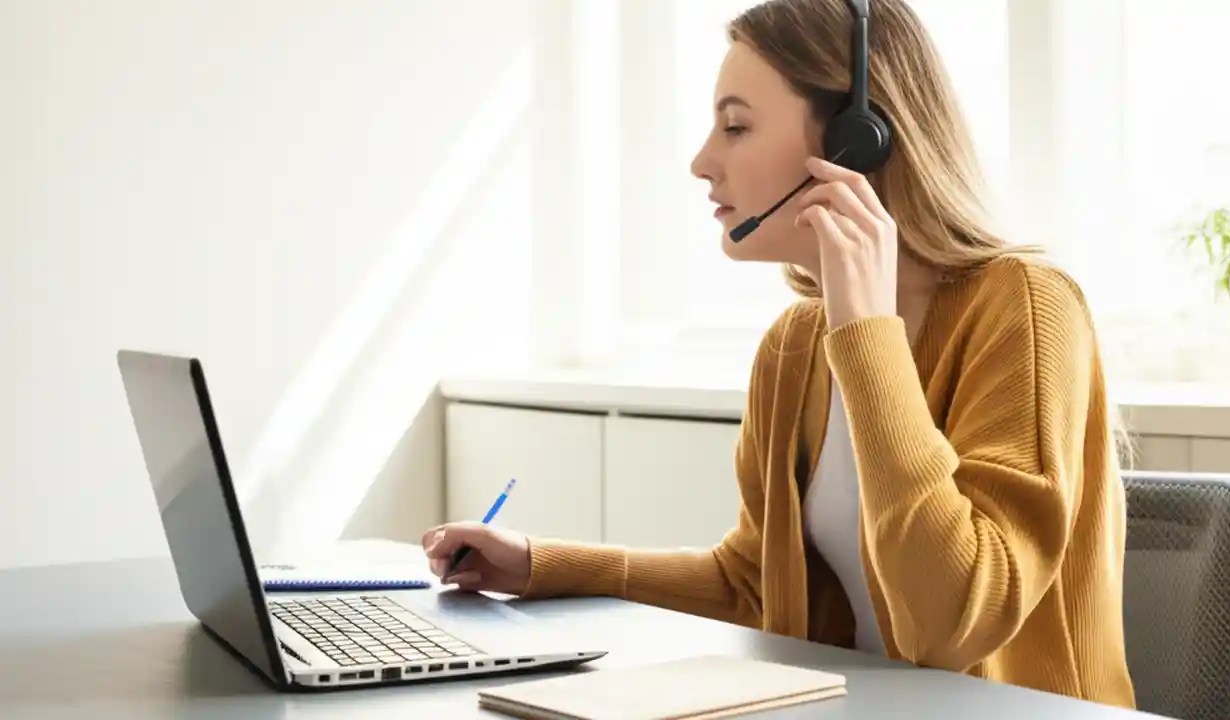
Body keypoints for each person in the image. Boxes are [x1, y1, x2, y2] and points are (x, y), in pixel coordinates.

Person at [423, 0, 1136, 709]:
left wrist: (867, 331)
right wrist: (538, 565)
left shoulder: (1026, 308)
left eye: (736, 126)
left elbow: (952, 623)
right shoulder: (794, 347)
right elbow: (752, 583)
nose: (703, 162)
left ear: (856, 142)